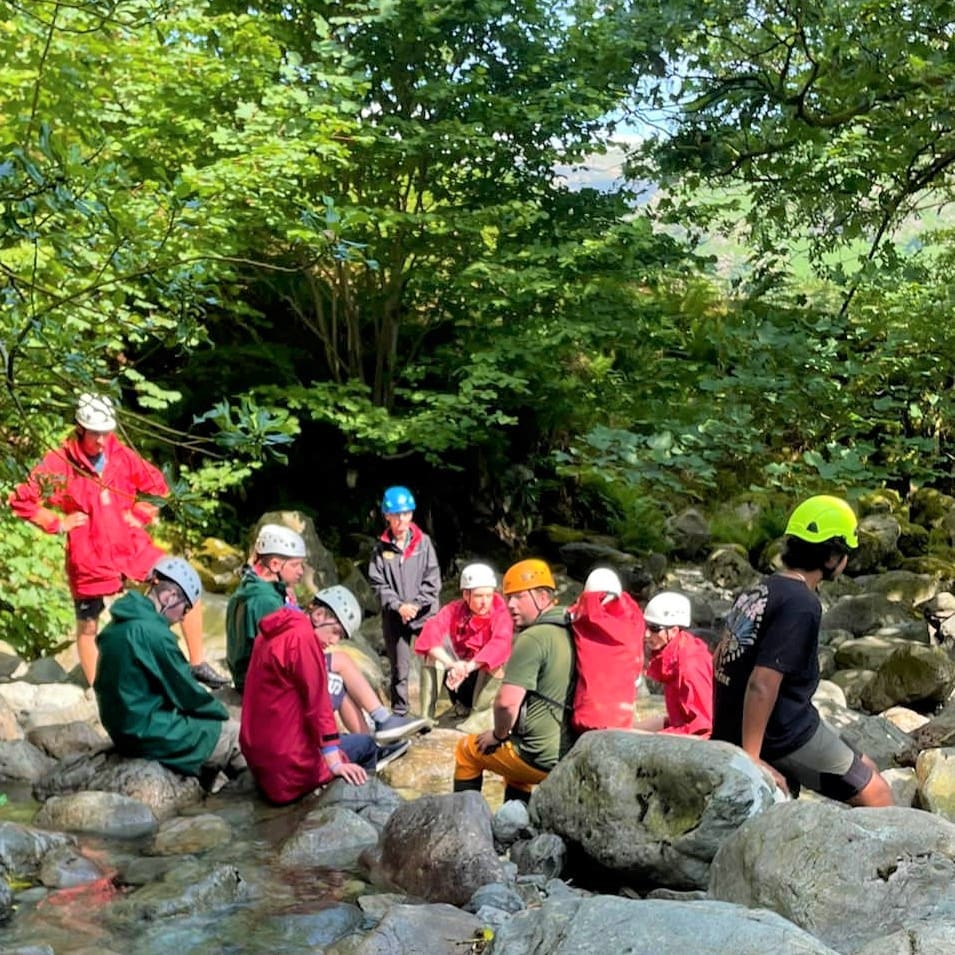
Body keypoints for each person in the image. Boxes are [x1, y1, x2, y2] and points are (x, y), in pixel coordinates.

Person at [9, 393, 225, 688]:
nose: (101, 440)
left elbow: (158, 488)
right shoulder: (58, 462)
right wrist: (58, 523)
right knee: (88, 625)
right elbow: (22, 499)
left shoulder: (120, 454)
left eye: (105, 432)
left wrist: (140, 513)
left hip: (130, 547)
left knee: (186, 582)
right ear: (80, 428)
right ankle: (100, 690)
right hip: (90, 554)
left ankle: (197, 663)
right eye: (95, 433)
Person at [712, 494, 893, 806]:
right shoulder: (802, 604)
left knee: (868, 767)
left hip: (751, 724)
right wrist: (750, 759)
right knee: (876, 792)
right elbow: (761, 683)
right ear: (832, 557)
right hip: (780, 734)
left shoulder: (760, 588)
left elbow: (719, 660)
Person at [94, 557, 245, 788]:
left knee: (209, 729)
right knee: (235, 735)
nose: (183, 617)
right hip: (146, 731)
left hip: (122, 726)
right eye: (185, 609)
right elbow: (186, 693)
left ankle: (206, 793)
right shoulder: (154, 633)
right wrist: (221, 712)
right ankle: (248, 806)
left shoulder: (117, 624)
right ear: (169, 596)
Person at [453, 559, 575, 803]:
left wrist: (498, 735)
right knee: (515, 771)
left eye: (518, 597)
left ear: (542, 597)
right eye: (508, 597)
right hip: (570, 752)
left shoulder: (533, 638)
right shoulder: (571, 627)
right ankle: (517, 823)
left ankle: (463, 822)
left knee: (466, 750)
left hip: (538, 758)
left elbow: (506, 704)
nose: (510, 605)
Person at [309, 586, 430, 744]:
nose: (334, 641)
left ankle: (368, 743)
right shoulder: (298, 632)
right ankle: (382, 721)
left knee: (338, 684)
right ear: (318, 615)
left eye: (340, 636)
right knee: (341, 661)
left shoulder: (304, 634)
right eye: (335, 632)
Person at [368, 485, 440, 716]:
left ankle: (429, 714)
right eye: (396, 514)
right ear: (386, 516)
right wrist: (398, 606)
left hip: (425, 613)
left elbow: (433, 580)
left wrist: (416, 605)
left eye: (406, 513)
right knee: (399, 666)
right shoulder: (379, 549)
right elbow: (377, 583)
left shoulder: (424, 543)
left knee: (435, 658)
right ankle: (400, 714)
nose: (401, 520)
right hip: (394, 616)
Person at [415, 562, 514, 720]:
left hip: (480, 677)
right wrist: (451, 664)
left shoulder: (501, 614)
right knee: (433, 656)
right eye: (479, 596)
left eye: (489, 596)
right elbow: (429, 632)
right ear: (466, 595)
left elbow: (500, 645)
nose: (485, 602)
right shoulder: (454, 609)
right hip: (459, 677)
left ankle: (479, 718)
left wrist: (468, 667)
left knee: (495, 664)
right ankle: (426, 716)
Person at [226, 523, 306, 692]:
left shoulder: (252, 584)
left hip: (245, 675)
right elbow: (279, 654)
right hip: (258, 682)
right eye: (295, 565)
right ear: (275, 564)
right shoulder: (266, 601)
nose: (301, 571)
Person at [633, 592, 712, 737]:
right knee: (626, 731)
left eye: (655, 628)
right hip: (681, 727)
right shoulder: (676, 652)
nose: (646, 634)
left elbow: (703, 728)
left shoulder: (690, 666)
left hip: (699, 741)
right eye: (646, 626)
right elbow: (679, 719)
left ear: (674, 631)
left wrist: (655, 738)